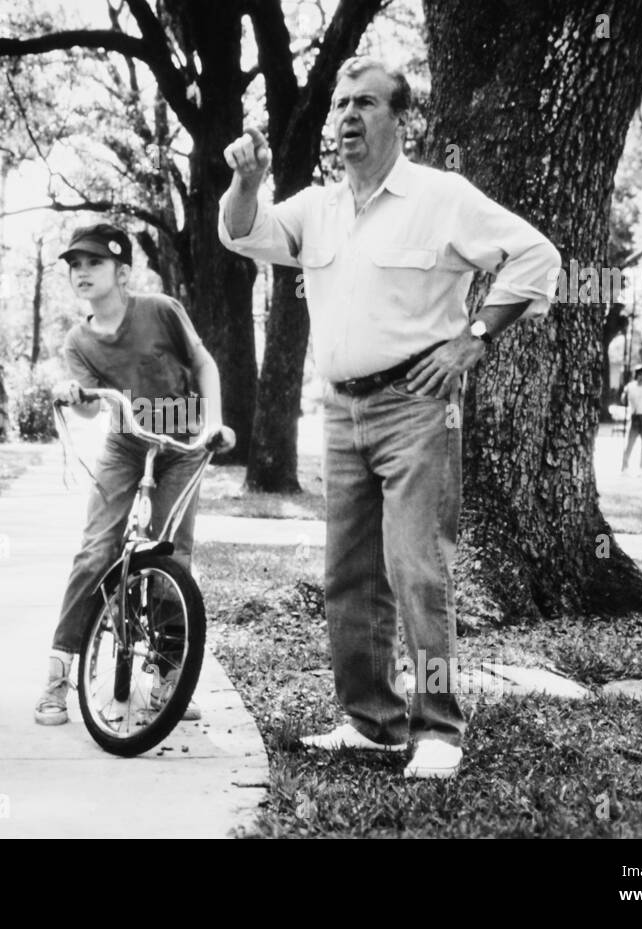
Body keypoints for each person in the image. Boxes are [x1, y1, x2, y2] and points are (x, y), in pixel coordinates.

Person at [219, 58, 561, 779]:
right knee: (349, 574)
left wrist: (473, 339)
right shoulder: (316, 207)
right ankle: (370, 722)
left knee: (415, 569)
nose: (346, 116)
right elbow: (243, 234)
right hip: (340, 412)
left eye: (365, 103)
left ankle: (437, 728)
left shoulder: (441, 197)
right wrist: (246, 183)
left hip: (416, 407)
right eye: (339, 103)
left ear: (400, 119)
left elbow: (537, 256)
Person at [34, 223, 235, 726]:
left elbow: (203, 363)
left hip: (182, 445)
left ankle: (170, 676)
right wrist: (74, 397)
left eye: (94, 263)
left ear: (123, 273)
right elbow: (86, 411)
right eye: (75, 265)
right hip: (125, 446)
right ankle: (59, 676)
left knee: (173, 555)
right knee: (96, 551)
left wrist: (213, 424)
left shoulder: (161, 311)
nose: (82, 272)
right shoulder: (80, 340)